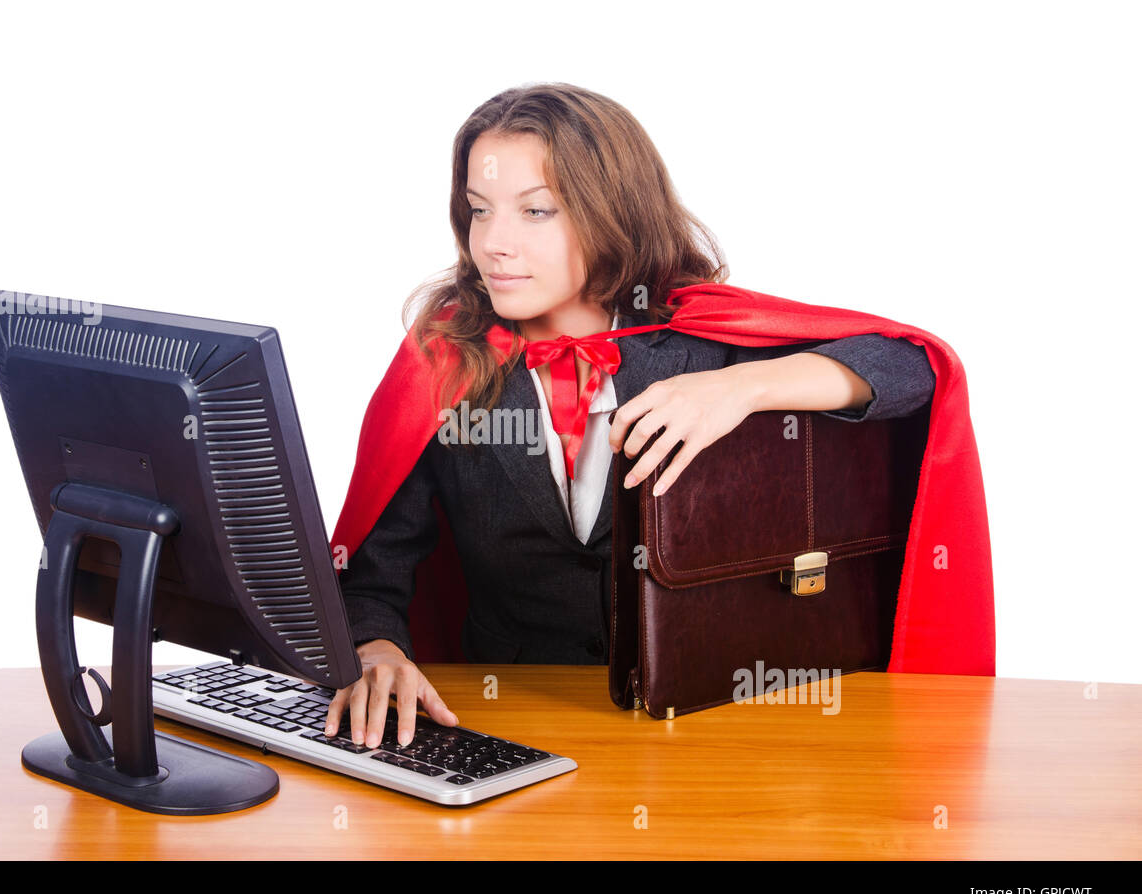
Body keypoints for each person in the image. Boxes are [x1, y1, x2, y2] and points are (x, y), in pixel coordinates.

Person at [325, 83, 937, 751]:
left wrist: (743, 389)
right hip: (509, 720)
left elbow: (910, 369)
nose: (493, 244)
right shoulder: (443, 362)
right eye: (479, 210)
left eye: (536, 211)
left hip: (712, 722)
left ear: (610, 210)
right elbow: (371, 571)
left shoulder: (701, 338)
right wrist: (376, 647)